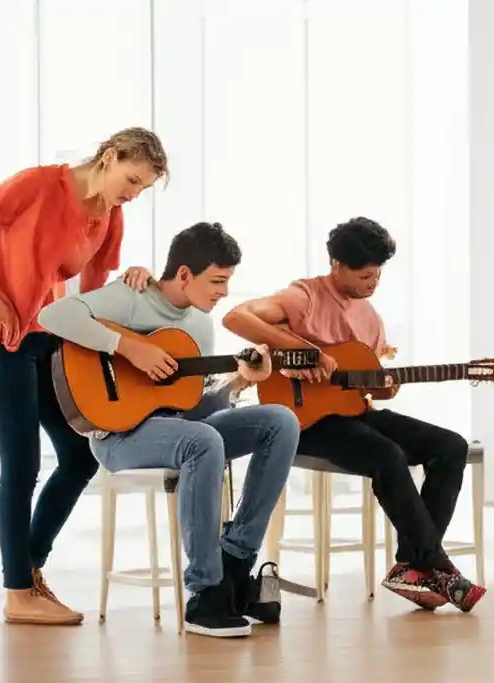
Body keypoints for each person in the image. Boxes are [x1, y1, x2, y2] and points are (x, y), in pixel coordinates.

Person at [37, 222, 298, 638]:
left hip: (180, 430)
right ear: (184, 274)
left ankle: (235, 561)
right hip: (117, 435)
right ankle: (204, 593)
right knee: (203, 441)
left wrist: (240, 381)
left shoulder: (200, 325)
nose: (224, 292)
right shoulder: (131, 296)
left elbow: (196, 405)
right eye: (217, 281)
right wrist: (130, 347)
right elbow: (52, 315)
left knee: (280, 421)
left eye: (228, 281)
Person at [0, 127, 167, 626]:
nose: (134, 194)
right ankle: (17, 594)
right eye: (132, 180)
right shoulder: (37, 184)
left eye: (143, 188)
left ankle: (27, 568)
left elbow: (90, 302)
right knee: (21, 465)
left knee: (78, 455)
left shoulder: (109, 216)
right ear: (109, 157)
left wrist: (134, 277)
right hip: (0, 337)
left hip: (48, 341)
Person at [221, 217, 485, 612]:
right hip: (302, 423)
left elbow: (365, 385)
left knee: (450, 446)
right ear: (336, 264)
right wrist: (304, 350)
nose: (372, 283)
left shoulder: (371, 318)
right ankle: (434, 566)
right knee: (387, 455)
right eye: (364, 275)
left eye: (377, 274)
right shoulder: (304, 297)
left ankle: (414, 565)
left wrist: (383, 388)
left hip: (352, 413)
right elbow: (236, 317)